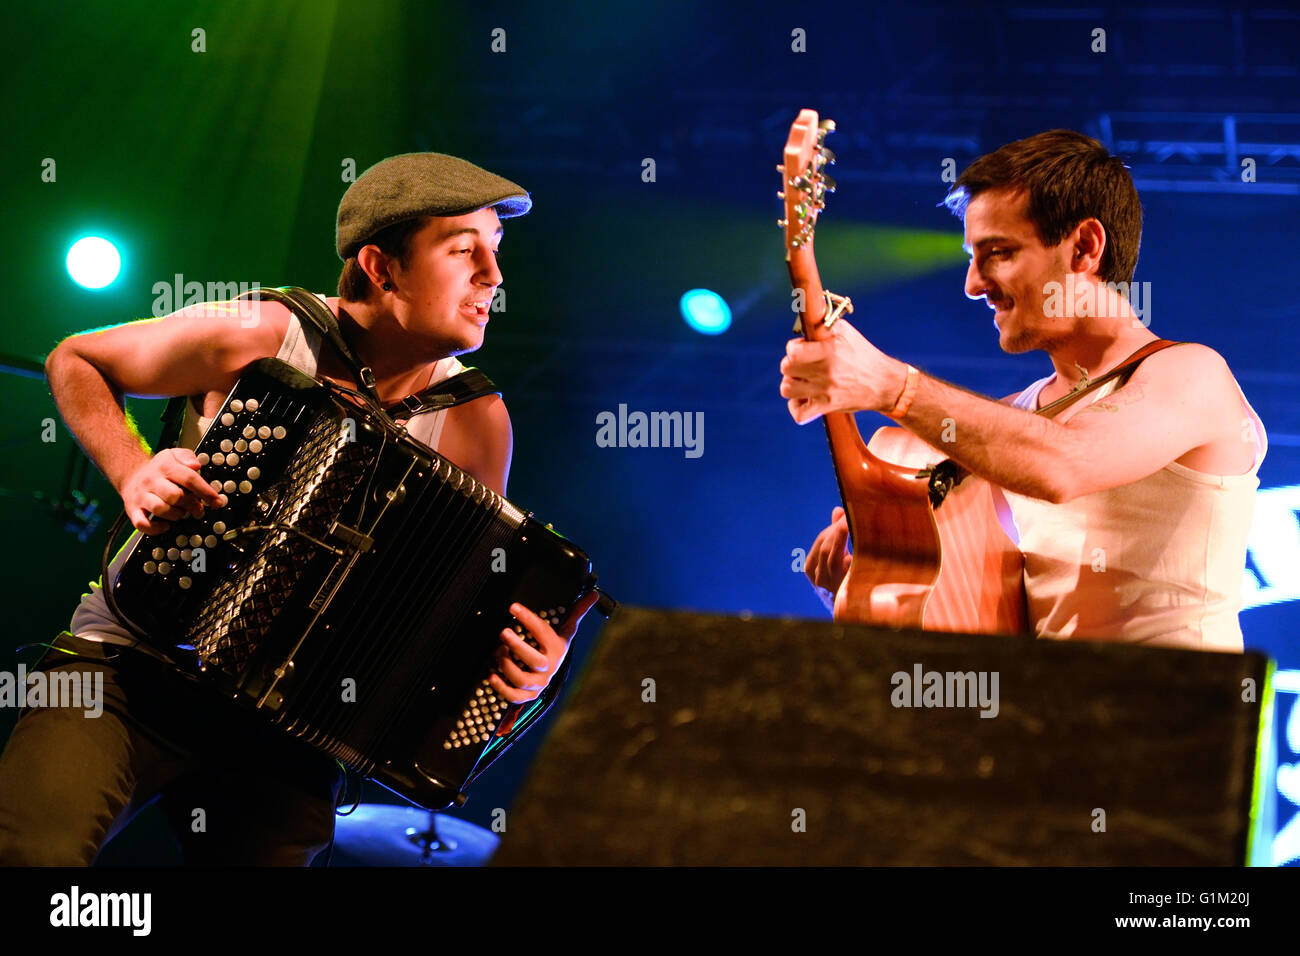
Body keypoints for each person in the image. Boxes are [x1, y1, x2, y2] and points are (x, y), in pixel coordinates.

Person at [0, 152, 597, 865]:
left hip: (288, 734)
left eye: (494, 253)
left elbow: (455, 604)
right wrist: (134, 471)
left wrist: (528, 673)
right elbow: (77, 359)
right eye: (464, 251)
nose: (493, 278)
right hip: (131, 671)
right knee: (31, 852)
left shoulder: (476, 419)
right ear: (382, 266)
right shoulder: (265, 331)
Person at [780, 130, 1265, 652]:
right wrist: (867, 592)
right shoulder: (1014, 422)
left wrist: (889, 384)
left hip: (1187, 724)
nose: (972, 283)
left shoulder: (1192, 374)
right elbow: (976, 617)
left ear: (1084, 247)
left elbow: (1064, 463)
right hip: (1051, 726)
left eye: (999, 253)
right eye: (972, 256)